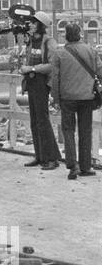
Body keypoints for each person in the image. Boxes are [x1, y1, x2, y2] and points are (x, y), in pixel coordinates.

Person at [50, 22, 101, 180]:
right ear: (80, 34)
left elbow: (55, 79)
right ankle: (86, 166)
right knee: (85, 131)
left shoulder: (59, 53)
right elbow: (100, 71)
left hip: (67, 98)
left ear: (65, 35)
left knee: (68, 131)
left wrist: (56, 99)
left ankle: (73, 166)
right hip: (87, 97)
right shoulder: (91, 50)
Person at [18, 11, 61, 170]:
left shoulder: (49, 42)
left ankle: (52, 158)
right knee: (34, 121)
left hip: (42, 85)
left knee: (43, 121)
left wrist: (32, 68)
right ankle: (40, 156)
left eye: (34, 23)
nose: (30, 24)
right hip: (31, 84)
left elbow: (52, 65)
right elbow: (27, 59)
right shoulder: (31, 41)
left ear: (41, 26)